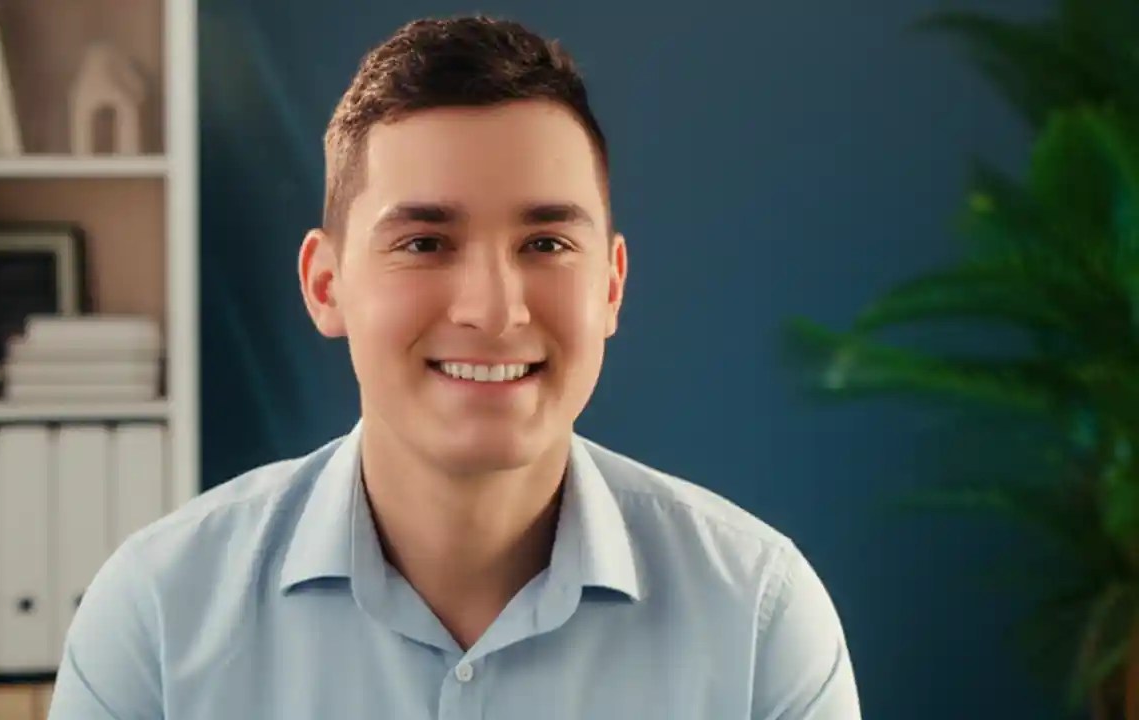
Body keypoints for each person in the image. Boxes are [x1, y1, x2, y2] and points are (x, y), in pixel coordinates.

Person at [48, 14, 861, 719]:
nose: (494, 310)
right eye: (425, 243)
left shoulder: (757, 617)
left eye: (546, 243)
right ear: (326, 286)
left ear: (611, 286)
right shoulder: (158, 614)